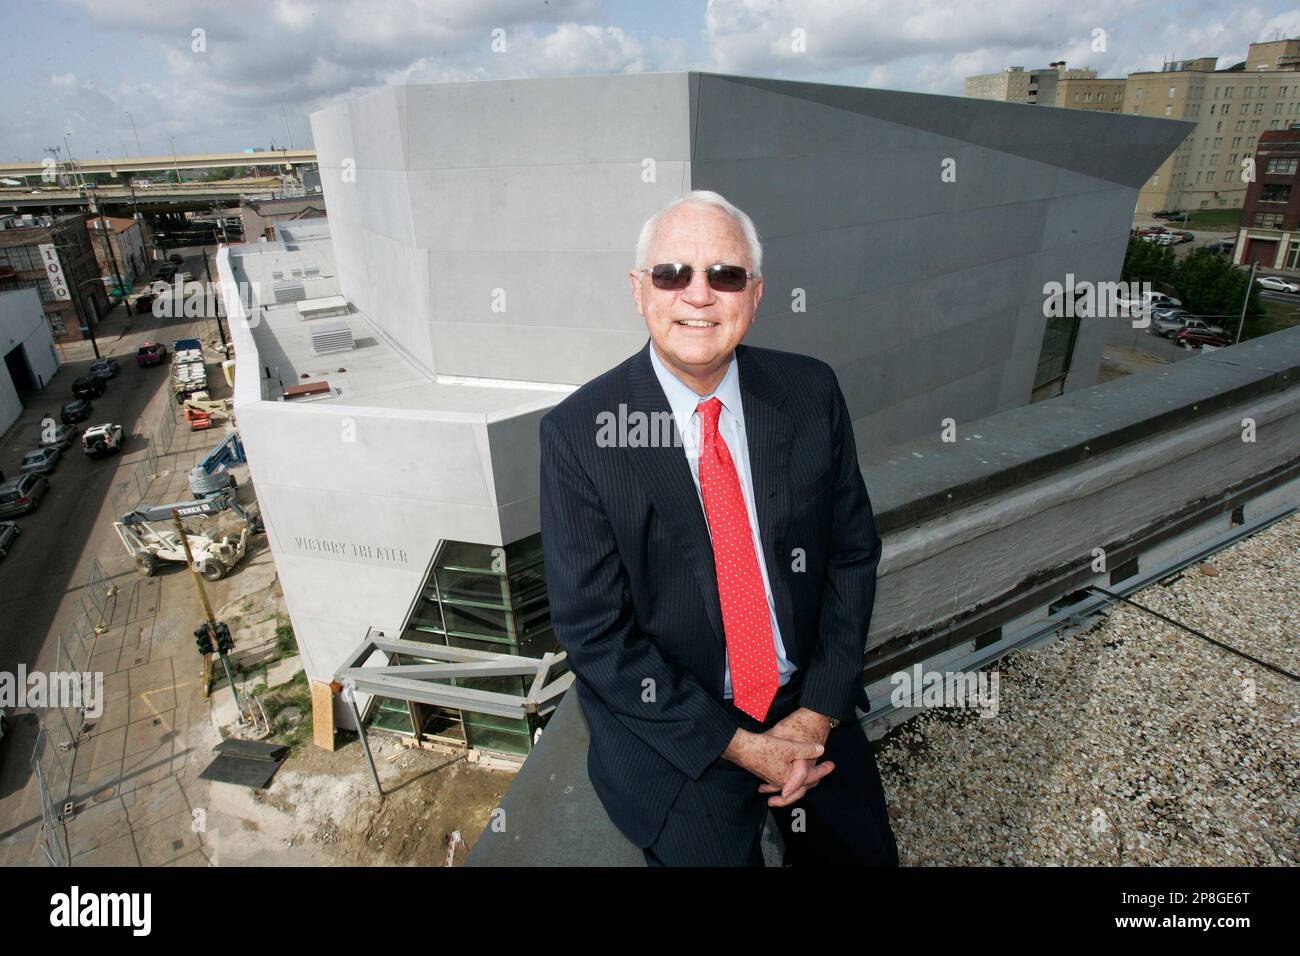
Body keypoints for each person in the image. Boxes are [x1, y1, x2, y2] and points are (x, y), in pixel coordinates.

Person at [539, 190, 898, 867]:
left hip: (805, 697)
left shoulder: (810, 392)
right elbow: (595, 633)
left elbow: (852, 556)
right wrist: (742, 746)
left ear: (754, 295)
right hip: (676, 722)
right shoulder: (581, 435)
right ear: (639, 290)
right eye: (672, 273)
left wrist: (817, 713)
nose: (698, 294)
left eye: (725, 275)